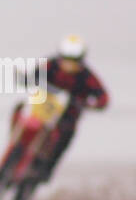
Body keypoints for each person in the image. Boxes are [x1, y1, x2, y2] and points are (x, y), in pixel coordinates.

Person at [15, 35, 110, 182]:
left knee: (65, 135)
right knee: (19, 109)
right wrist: (25, 79)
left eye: (74, 60)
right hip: (42, 109)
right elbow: (33, 76)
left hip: (67, 117)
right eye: (66, 59)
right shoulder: (50, 65)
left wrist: (92, 104)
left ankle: (45, 171)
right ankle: (16, 149)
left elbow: (102, 97)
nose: (69, 64)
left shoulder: (86, 76)